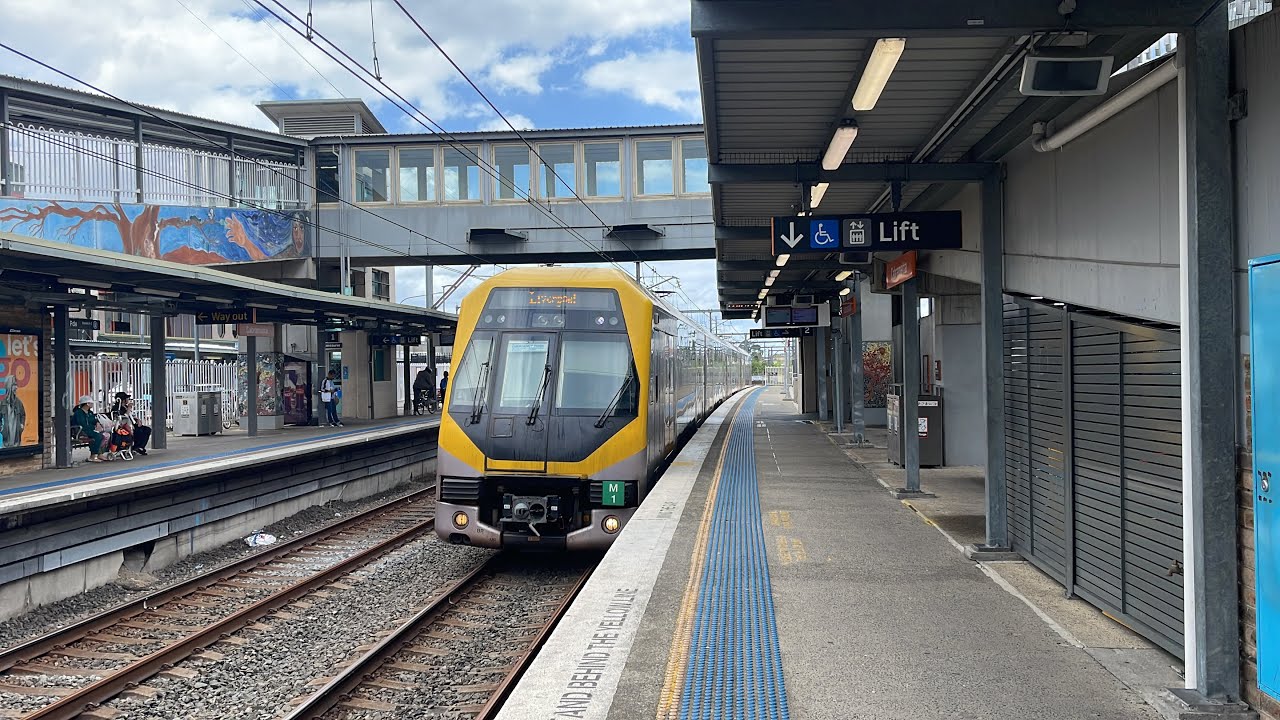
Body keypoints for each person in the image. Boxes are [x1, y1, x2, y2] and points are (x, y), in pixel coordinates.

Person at [73, 395, 106, 463]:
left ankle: (98, 454)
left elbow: (93, 420)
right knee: (98, 436)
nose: (92, 404)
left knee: (102, 435)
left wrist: (97, 423)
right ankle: (94, 455)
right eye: (91, 403)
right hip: (81, 431)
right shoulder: (78, 413)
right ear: (87, 404)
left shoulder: (90, 413)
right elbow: (81, 423)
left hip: (89, 430)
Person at [0, 374, 26, 448]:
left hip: (17, 443)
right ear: (9, 386)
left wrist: (21, 426)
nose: (16, 387)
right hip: (6, 444)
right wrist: (1, 429)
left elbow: (23, 415)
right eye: (14, 385)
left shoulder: (19, 403)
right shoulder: (2, 404)